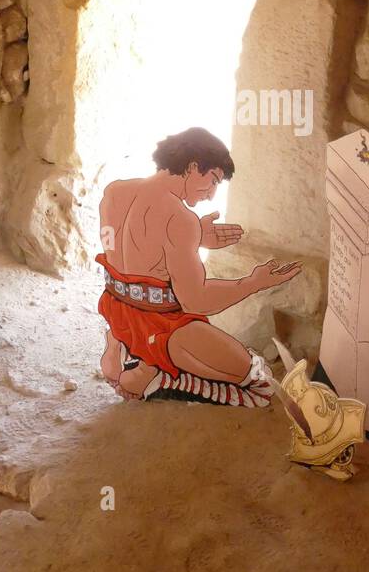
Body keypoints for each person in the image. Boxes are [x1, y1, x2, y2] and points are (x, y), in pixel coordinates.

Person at [97, 127, 301, 402]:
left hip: (117, 308)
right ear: (193, 166)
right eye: (214, 180)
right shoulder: (180, 218)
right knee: (259, 381)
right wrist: (253, 283)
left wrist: (194, 239)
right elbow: (196, 301)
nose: (212, 194)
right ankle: (155, 370)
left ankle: (121, 343)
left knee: (222, 359)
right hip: (161, 324)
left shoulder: (115, 192)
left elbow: (128, 251)